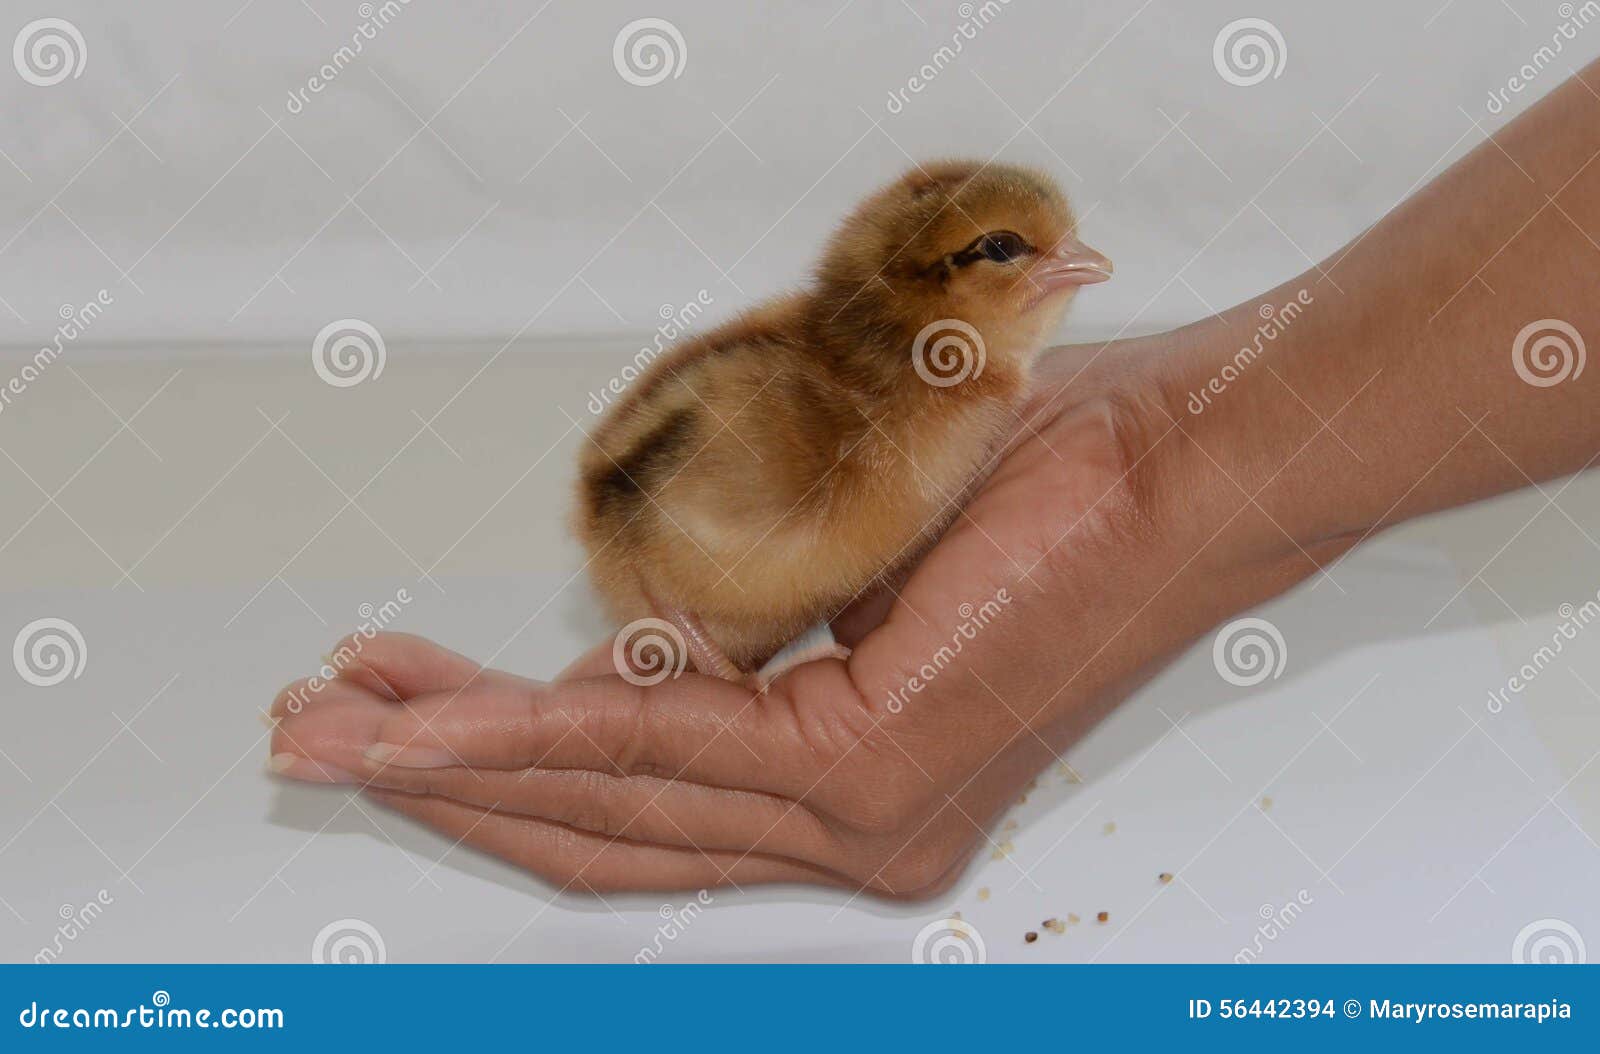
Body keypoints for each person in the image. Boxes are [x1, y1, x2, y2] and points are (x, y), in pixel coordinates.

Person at [268, 59, 1600, 897]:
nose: (1066, 269)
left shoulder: (918, 397)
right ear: (928, 286)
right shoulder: (885, 398)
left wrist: (1165, 470)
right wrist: (1157, 457)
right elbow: (700, 472)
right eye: (1022, 253)